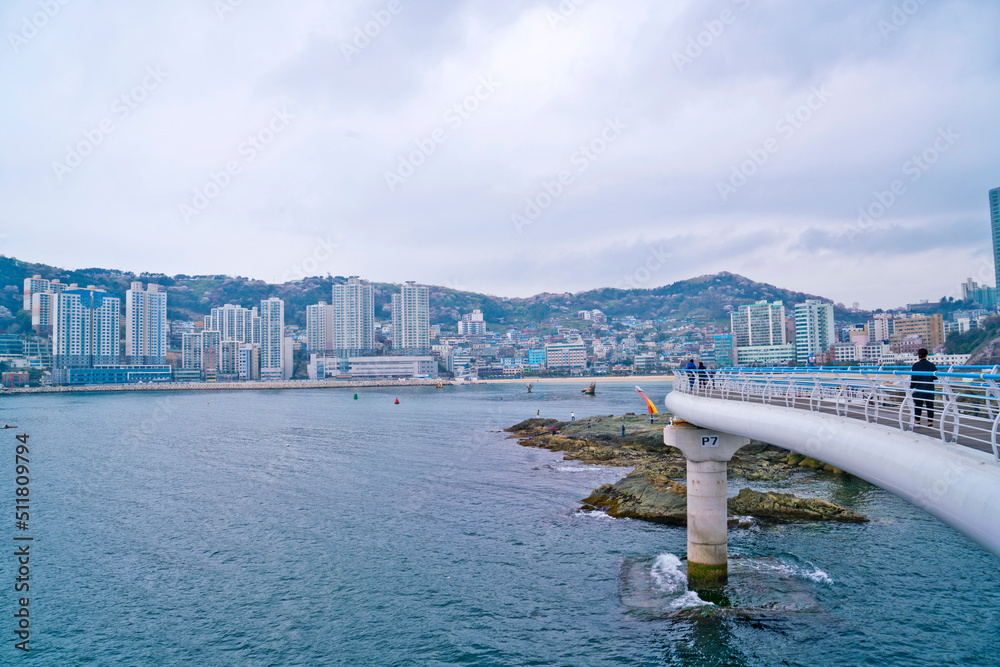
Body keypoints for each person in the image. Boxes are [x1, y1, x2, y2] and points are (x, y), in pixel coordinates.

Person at [910, 348, 938, 428]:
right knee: (930, 405)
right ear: (927, 355)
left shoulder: (916, 365)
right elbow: (935, 377)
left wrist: (911, 388)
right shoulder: (931, 365)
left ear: (918, 355)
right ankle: (930, 422)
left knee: (918, 405)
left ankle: (917, 421)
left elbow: (913, 378)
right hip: (929, 388)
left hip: (918, 388)